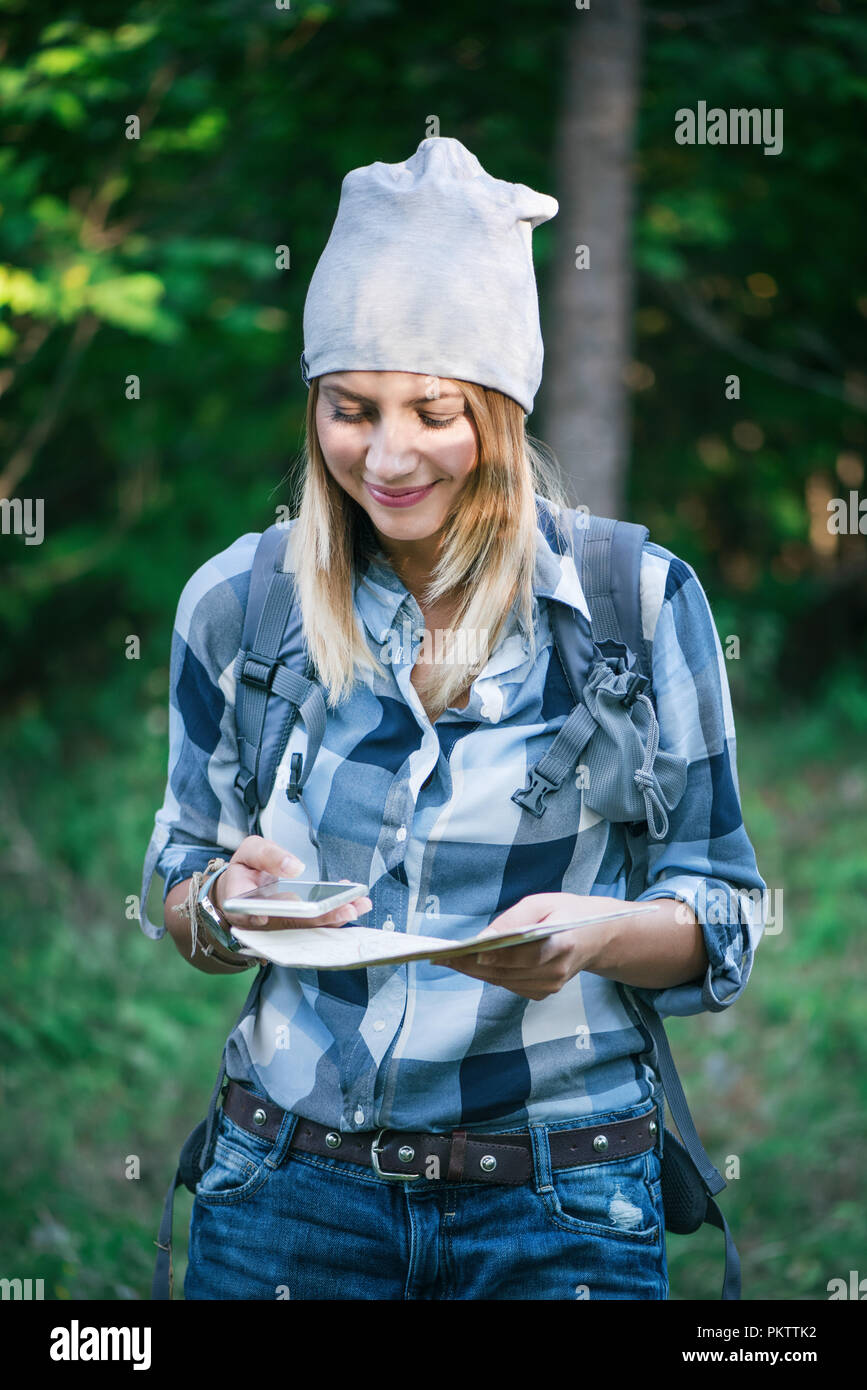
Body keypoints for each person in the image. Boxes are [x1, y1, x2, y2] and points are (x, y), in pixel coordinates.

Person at [139, 136, 767, 1300]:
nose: (385, 456)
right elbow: (175, 873)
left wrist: (594, 934)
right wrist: (223, 903)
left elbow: (723, 908)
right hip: (288, 1191)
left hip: (560, 1202)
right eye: (349, 408)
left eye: (432, 411)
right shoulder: (243, 601)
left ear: (499, 408)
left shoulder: (636, 602)